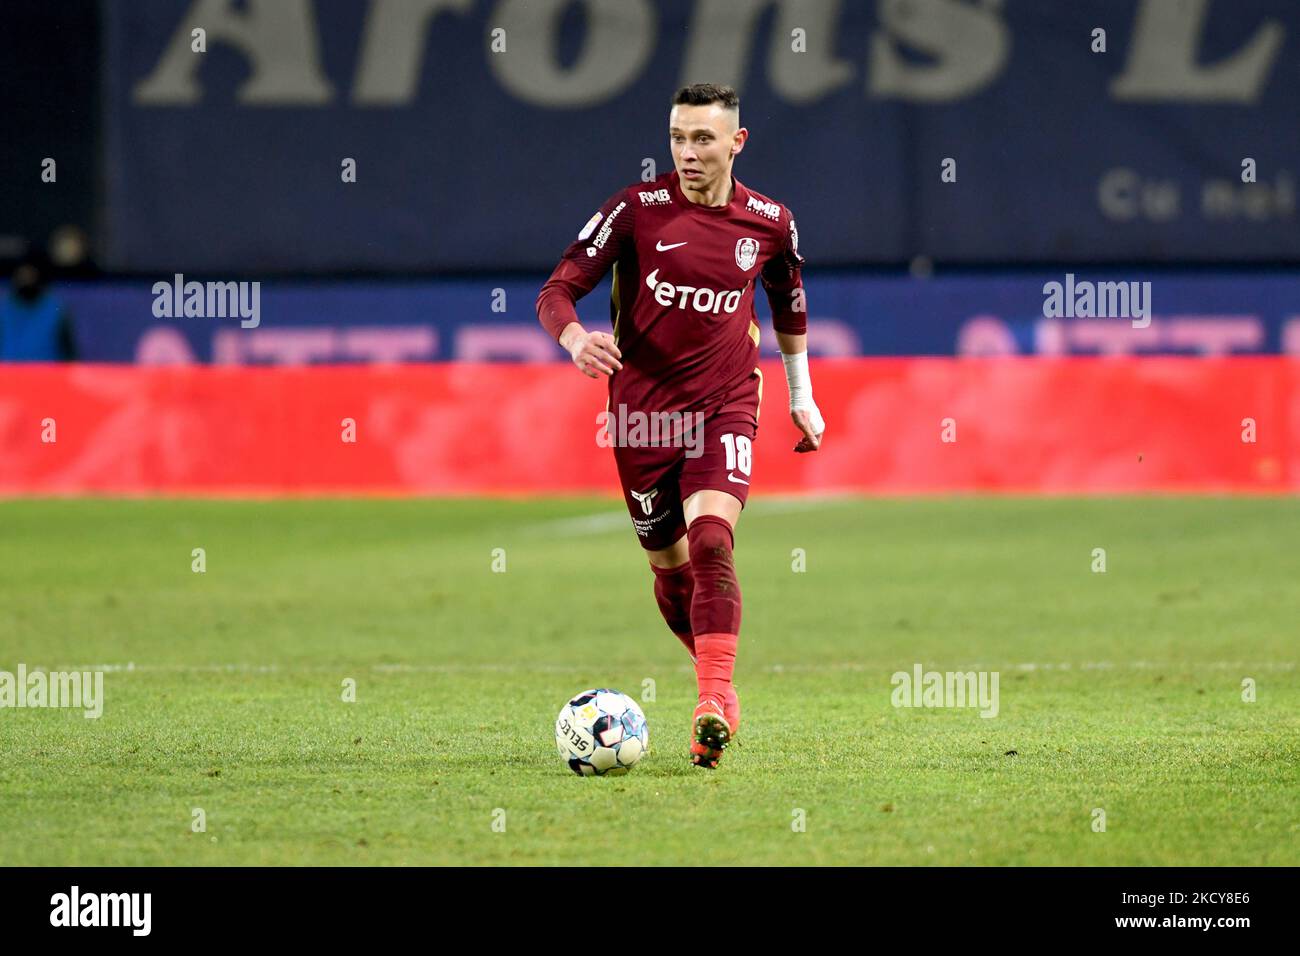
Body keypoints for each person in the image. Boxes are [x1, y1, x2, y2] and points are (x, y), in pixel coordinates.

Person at [535, 83, 825, 769]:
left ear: (736, 141)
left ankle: (710, 701)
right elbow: (557, 289)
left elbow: (789, 302)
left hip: (727, 401)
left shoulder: (770, 222)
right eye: (677, 137)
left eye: (702, 138)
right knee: (671, 571)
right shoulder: (636, 212)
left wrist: (801, 395)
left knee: (713, 541)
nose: (688, 152)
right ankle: (718, 684)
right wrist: (575, 339)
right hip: (640, 418)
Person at [0, 258, 77, 361]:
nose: (26, 280)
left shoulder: (55, 310)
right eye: (22, 276)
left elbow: (69, 351)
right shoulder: (4, 309)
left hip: (47, 374)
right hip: (9, 374)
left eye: (30, 276)